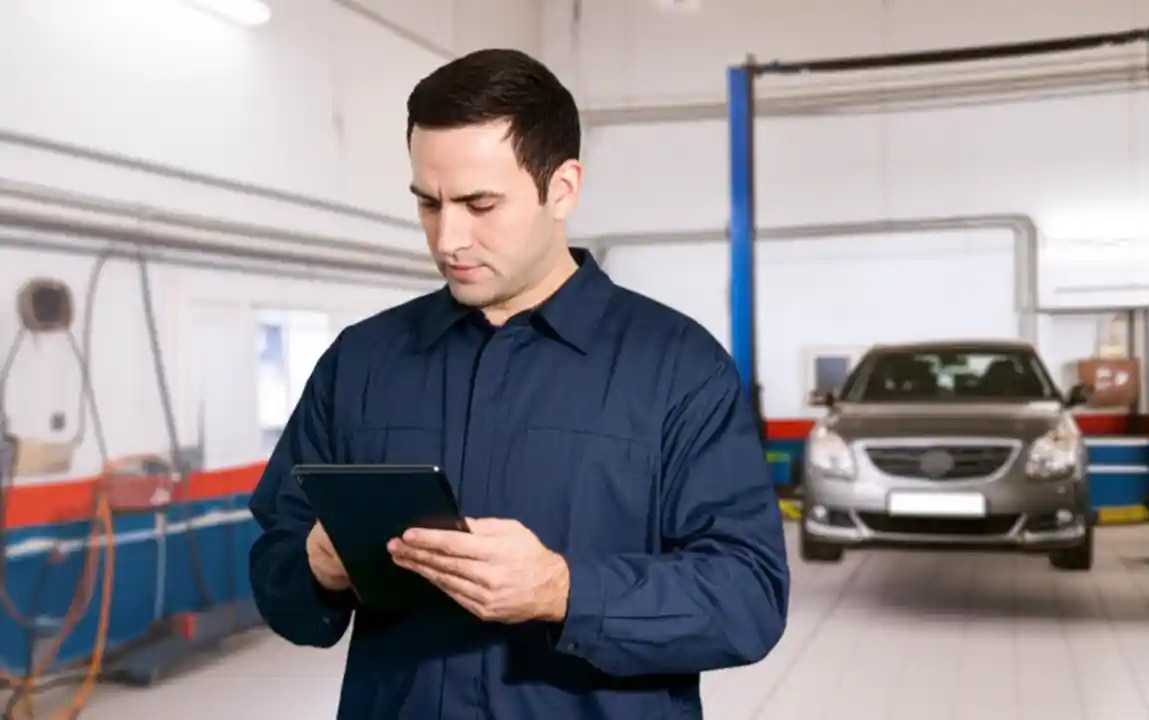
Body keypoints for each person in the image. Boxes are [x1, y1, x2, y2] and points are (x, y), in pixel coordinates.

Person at [247, 47, 789, 720]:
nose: (449, 239)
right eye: (428, 203)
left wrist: (564, 589)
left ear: (562, 188)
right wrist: (317, 568)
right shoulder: (362, 362)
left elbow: (748, 597)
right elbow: (276, 571)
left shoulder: (678, 369)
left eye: (480, 204)